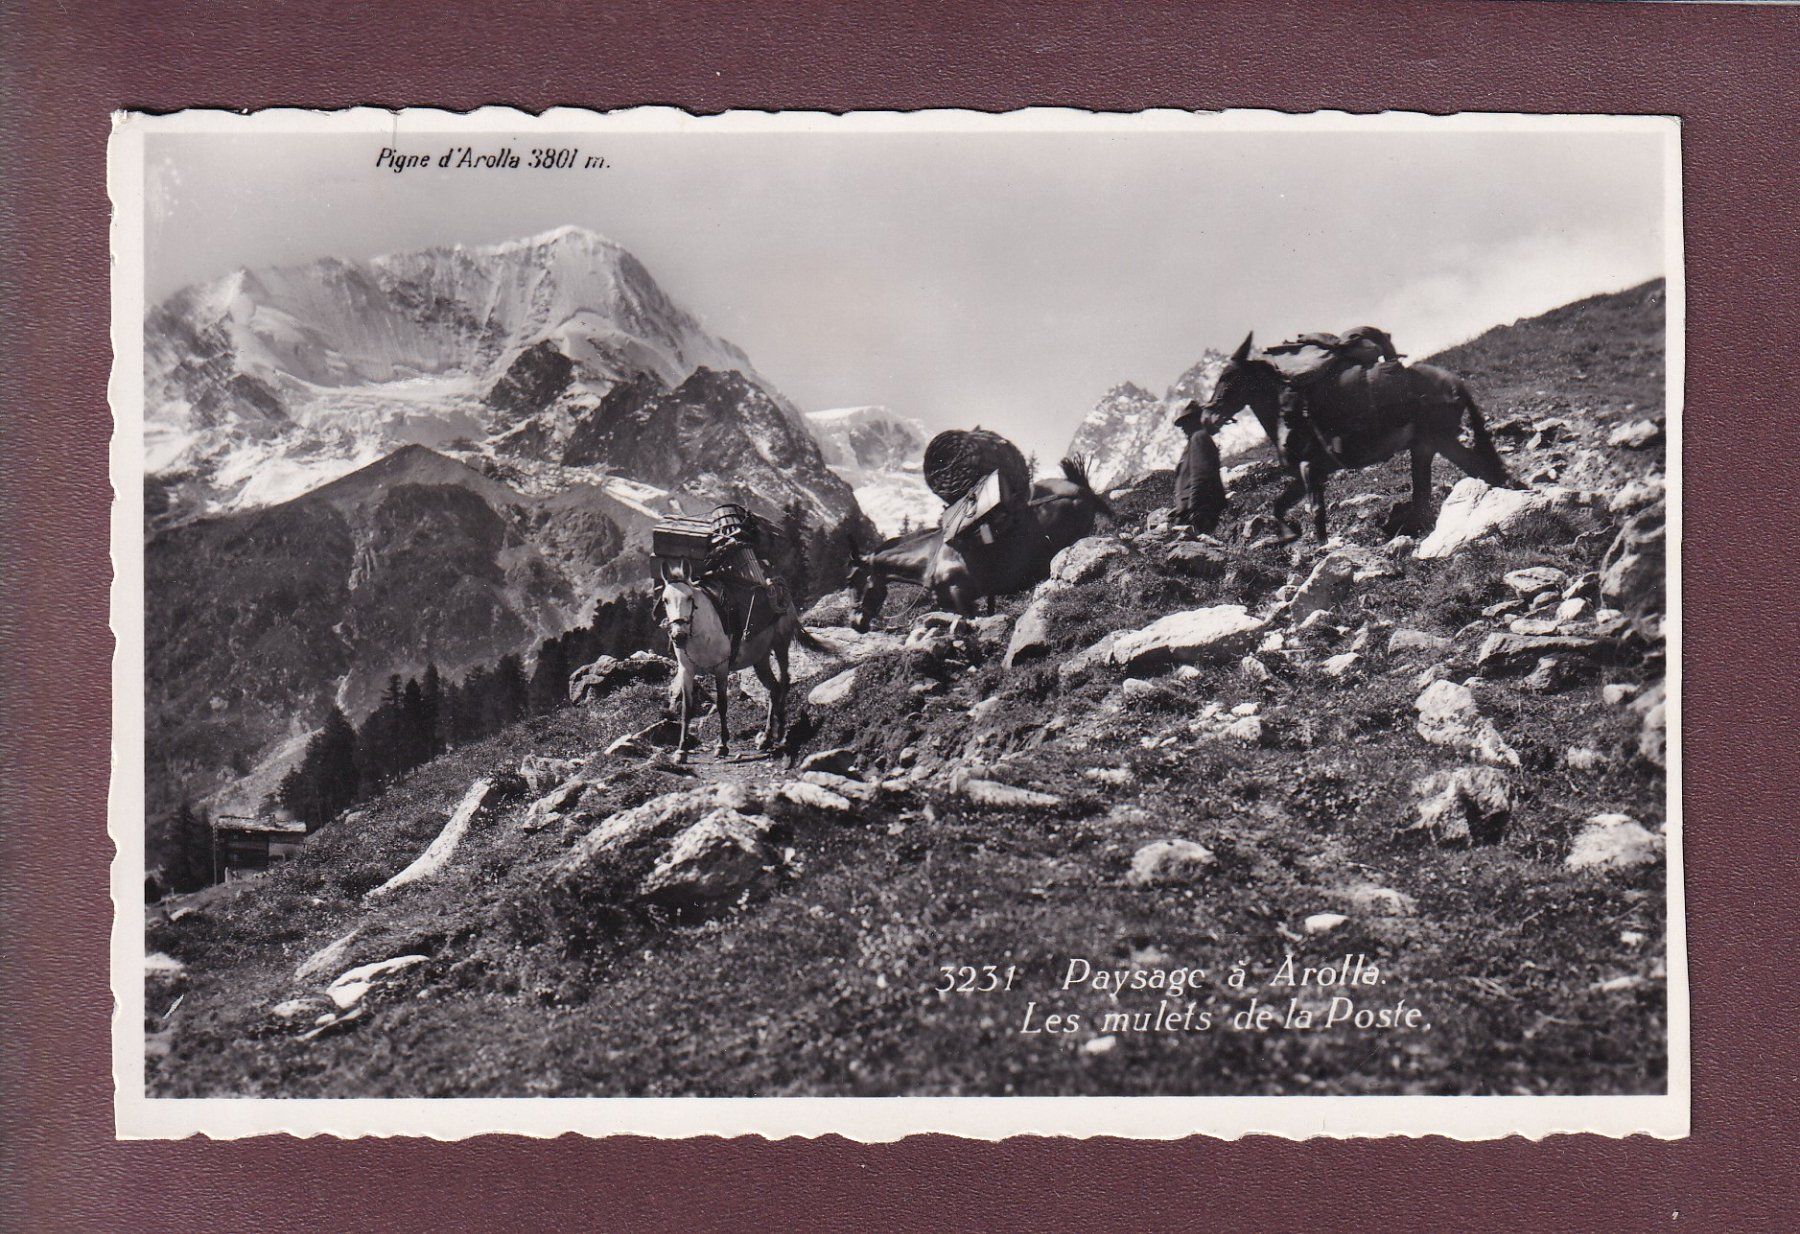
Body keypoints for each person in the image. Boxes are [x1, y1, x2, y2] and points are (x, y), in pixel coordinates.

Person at [1171, 400, 1226, 534]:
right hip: (1191, 510)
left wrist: (1193, 508)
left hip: (1200, 511)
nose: (1182, 428)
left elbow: (1200, 476)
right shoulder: (1194, 440)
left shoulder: (1198, 437)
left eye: (1185, 422)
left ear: (1195, 421)